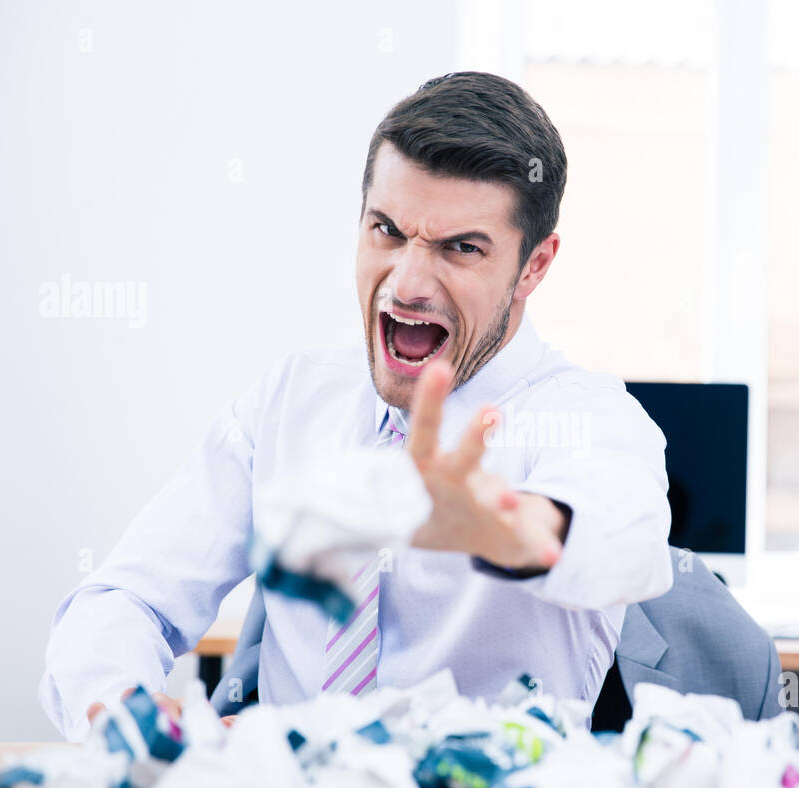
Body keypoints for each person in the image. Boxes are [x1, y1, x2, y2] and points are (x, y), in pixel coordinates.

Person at [40, 71, 674, 741]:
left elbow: (623, 542)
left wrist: (509, 533)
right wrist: (123, 711)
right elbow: (128, 596)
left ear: (534, 267)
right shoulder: (291, 400)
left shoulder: (591, 418)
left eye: (462, 248)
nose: (406, 284)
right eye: (389, 231)